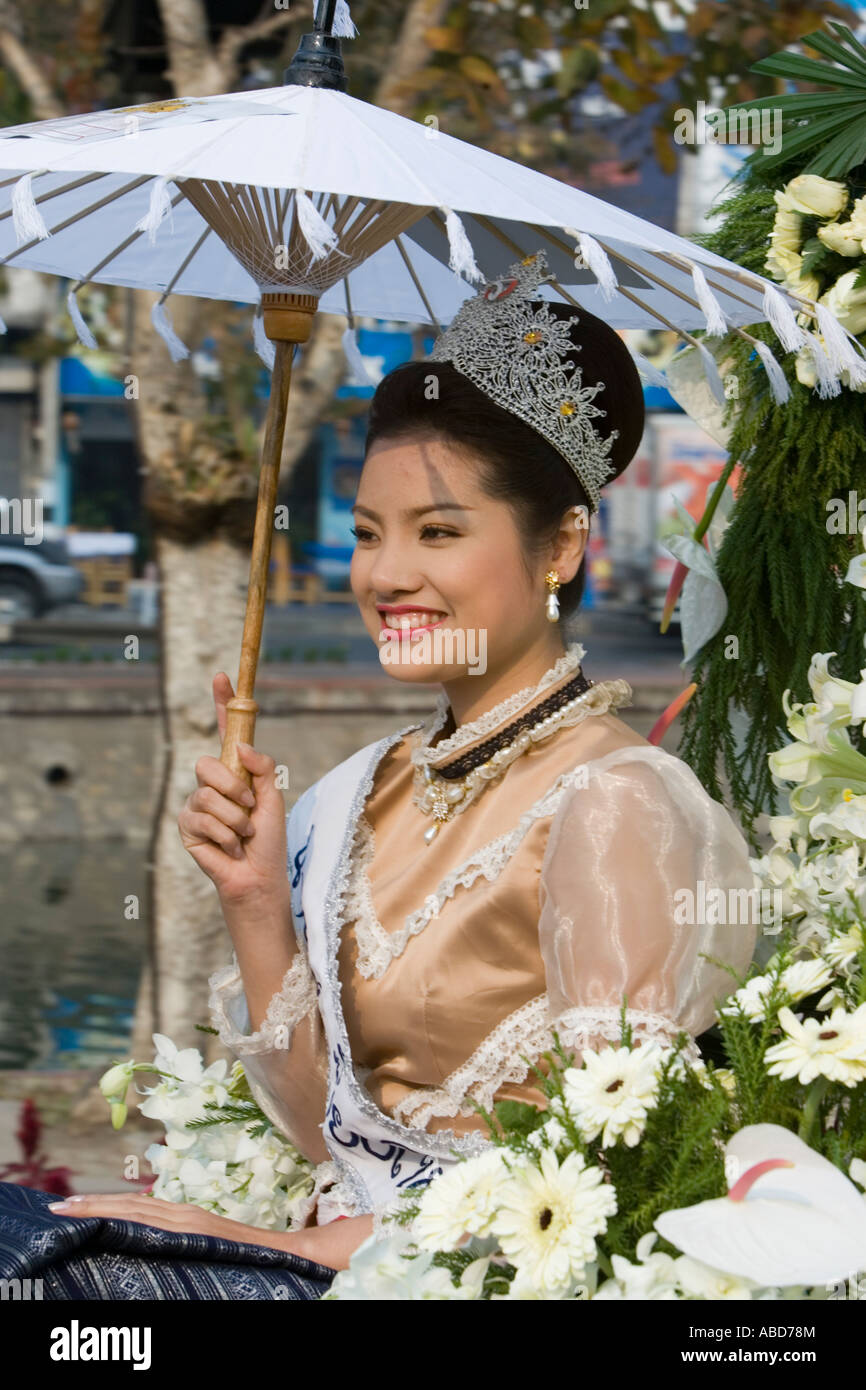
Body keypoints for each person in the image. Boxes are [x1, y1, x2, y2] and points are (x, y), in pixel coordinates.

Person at [0, 251, 757, 1298]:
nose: (384, 575)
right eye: (365, 533)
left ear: (563, 546)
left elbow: (615, 1188)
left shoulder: (612, 801)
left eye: (437, 531)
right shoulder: (365, 787)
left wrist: (314, 1251)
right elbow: (326, 1136)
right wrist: (256, 898)